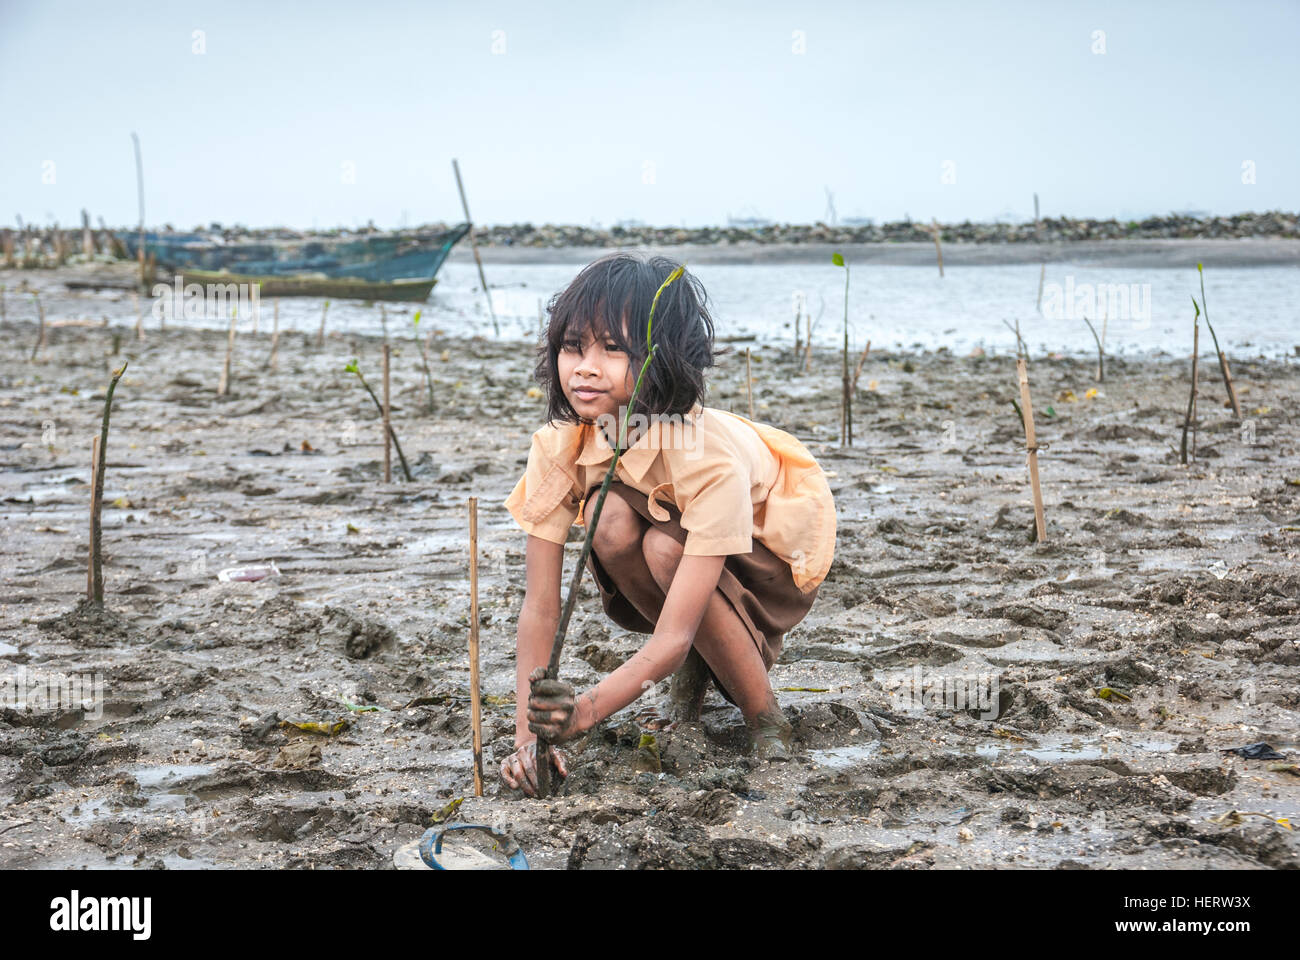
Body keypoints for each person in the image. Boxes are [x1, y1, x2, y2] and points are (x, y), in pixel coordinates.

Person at [499, 253, 836, 796]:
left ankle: (765, 716)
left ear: (661, 359)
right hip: (674, 546)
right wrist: (528, 738)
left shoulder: (706, 459)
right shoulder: (560, 447)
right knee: (607, 518)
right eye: (572, 346)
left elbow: (676, 635)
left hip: (764, 563)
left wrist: (584, 712)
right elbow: (540, 606)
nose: (585, 367)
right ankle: (696, 679)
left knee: (664, 551)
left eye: (613, 348)